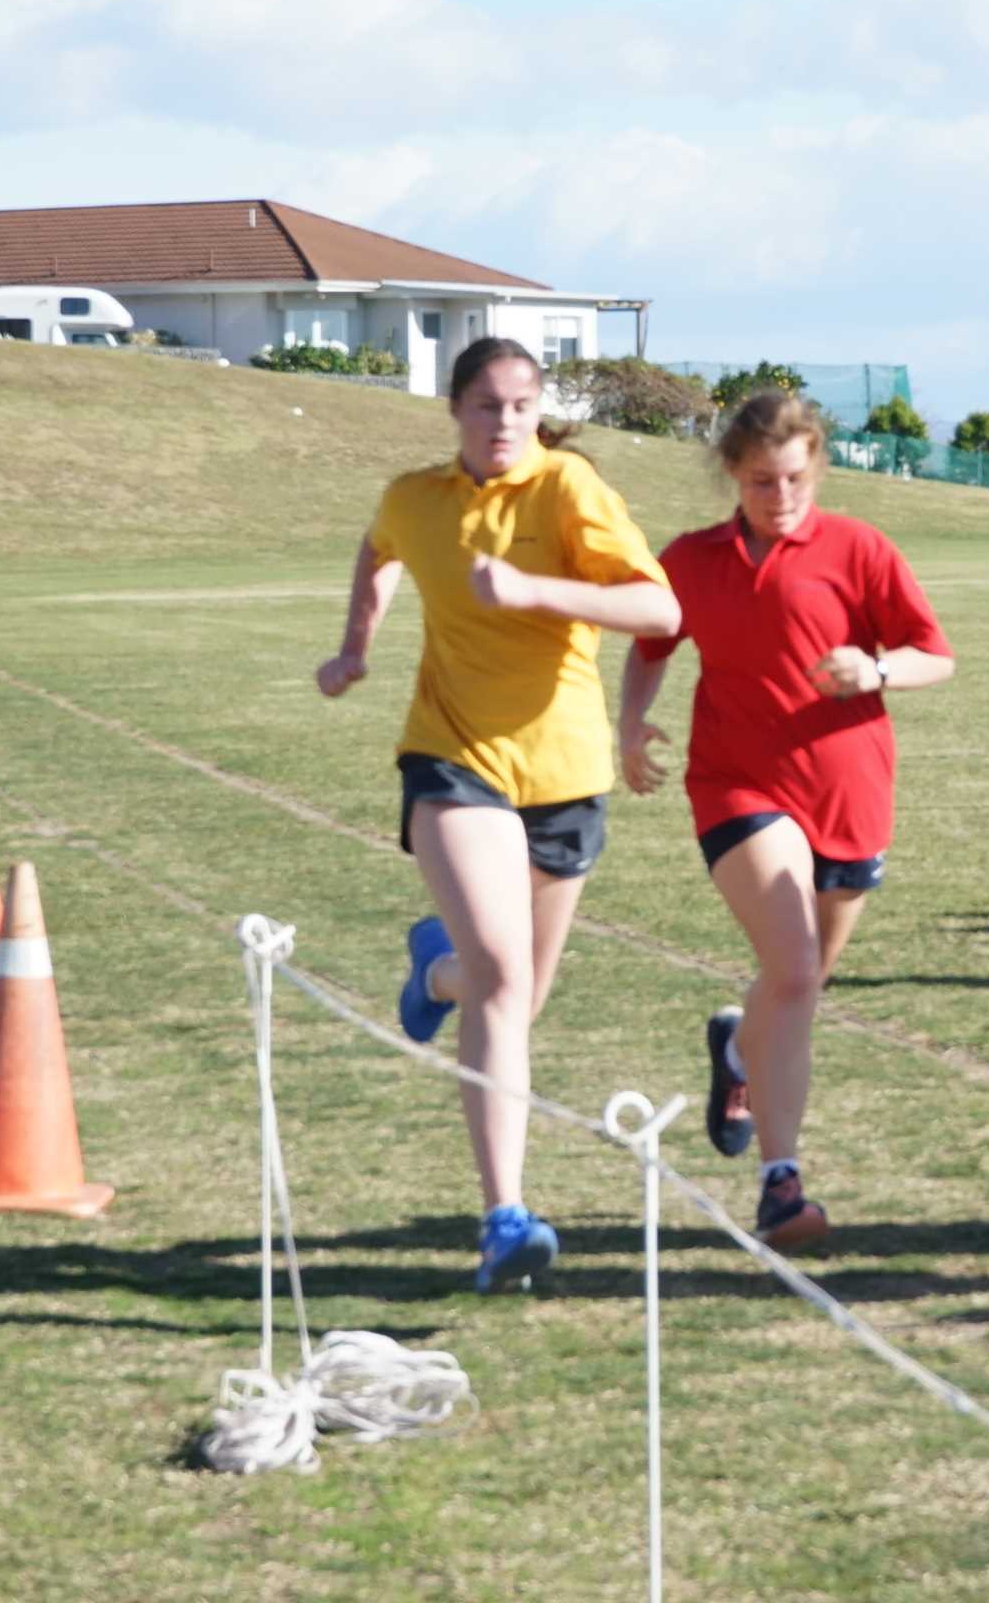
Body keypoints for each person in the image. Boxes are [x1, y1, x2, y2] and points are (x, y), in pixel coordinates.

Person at [314, 337, 679, 1293]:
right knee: (505, 976)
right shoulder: (417, 498)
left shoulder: (569, 491)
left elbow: (657, 608)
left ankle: (431, 975)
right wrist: (356, 648)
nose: (507, 421)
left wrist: (534, 591)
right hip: (452, 757)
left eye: (522, 403)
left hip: (564, 769)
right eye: (487, 405)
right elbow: (379, 548)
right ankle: (504, 1217)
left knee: (507, 996)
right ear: (455, 412)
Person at [616, 391, 954, 1251]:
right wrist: (629, 720)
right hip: (736, 786)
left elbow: (935, 656)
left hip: (849, 792)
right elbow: (652, 643)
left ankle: (738, 1054)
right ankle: (781, 1182)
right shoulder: (693, 559)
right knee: (795, 969)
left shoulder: (860, 549)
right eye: (763, 480)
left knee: (796, 985)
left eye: (796, 478)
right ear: (733, 472)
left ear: (819, 468)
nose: (781, 496)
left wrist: (874, 669)